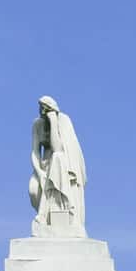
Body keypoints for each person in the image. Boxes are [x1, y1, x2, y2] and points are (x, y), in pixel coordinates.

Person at [28, 96, 87, 236]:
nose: (43, 111)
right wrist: (40, 173)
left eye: (46, 108)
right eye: (41, 108)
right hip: (43, 167)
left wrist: (53, 121)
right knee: (33, 190)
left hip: (63, 166)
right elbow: (35, 152)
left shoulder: (63, 121)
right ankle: (44, 215)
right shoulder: (37, 125)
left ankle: (48, 214)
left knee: (57, 158)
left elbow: (58, 149)